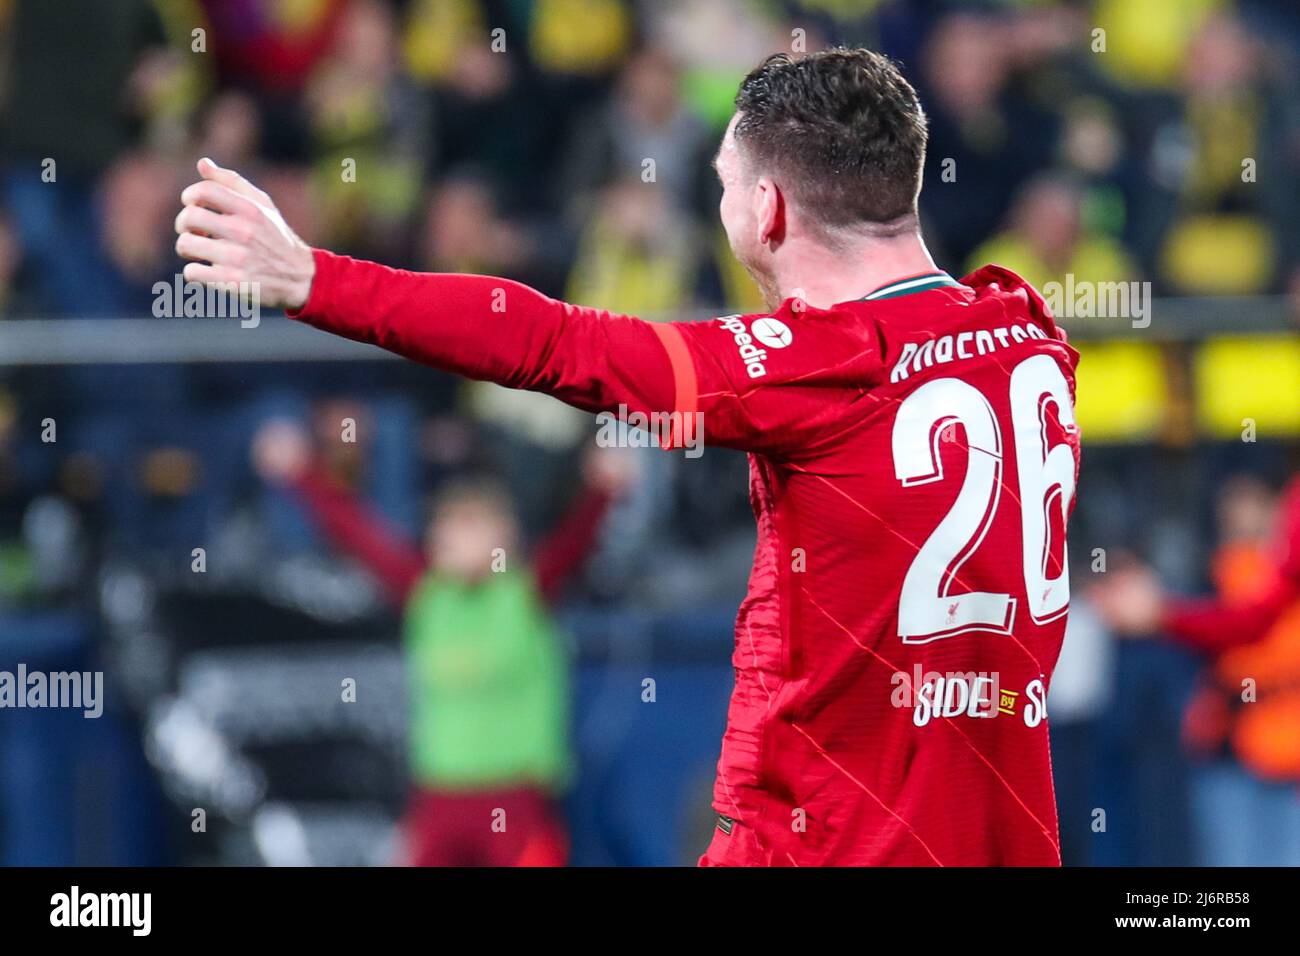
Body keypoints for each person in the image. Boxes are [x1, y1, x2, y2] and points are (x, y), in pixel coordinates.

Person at [175, 48, 1081, 866]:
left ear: (765, 206)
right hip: (1006, 835)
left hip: (831, 838)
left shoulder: (817, 365)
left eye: (724, 184)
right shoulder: (1026, 328)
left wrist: (312, 278)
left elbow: (552, 342)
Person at [251, 419, 633, 866]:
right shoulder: (426, 596)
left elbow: (575, 543)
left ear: (501, 539)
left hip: (514, 797)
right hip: (440, 797)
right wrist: (300, 473)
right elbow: (357, 535)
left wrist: (604, 490)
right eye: (445, 528)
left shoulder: (528, 595)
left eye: (469, 526)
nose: (451, 539)